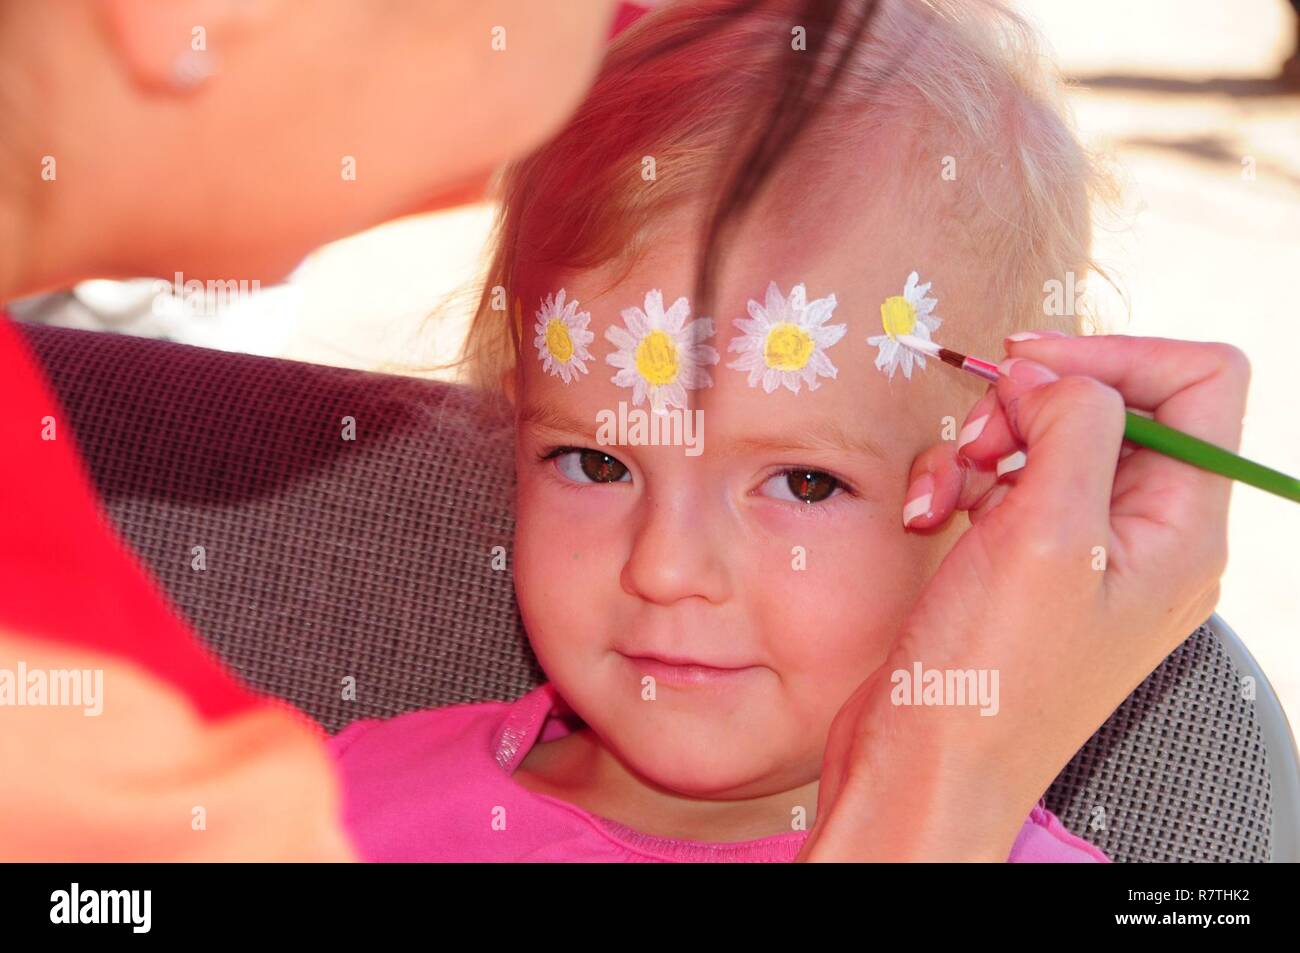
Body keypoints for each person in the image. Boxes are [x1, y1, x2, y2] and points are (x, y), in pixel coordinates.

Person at [0, 0, 1248, 862]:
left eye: (805, 481)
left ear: (996, 493)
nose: (663, 566)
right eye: (596, 461)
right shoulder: (337, 794)